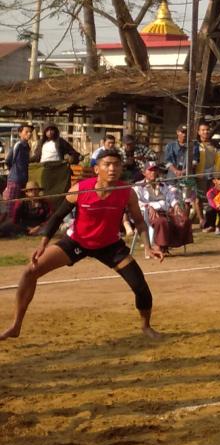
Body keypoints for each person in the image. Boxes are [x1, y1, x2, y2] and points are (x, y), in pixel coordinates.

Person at [4, 148, 163, 340]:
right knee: (30, 272)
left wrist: (148, 246)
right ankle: (15, 326)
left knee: (140, 286)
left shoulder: (127, 193)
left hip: (110, 246)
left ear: (121, 169)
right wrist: (43, 244)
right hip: (77, 242)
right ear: (97, 169)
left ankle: (146, 326)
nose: (112, 169)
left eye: (116, 165)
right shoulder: (80, 189)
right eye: (107, 165)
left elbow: (139, 222)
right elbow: (57, 217)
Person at [134, 161, 192, 254]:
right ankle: (159, 246)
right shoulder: (138, 186)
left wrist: (176, 204)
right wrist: (148, 207)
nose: (153, 172)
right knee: (162, 221)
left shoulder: (163, 185)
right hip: (148, 213)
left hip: (166, 211)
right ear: (144, 173)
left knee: (184, 219)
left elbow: (171, 196)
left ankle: (170, 244)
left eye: (155, 170)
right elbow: (136, 201)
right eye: (150, 170)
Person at [36, 124, 78, 208]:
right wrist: (27, 161)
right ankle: (46, 209)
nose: (50, 132)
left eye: (52, 130)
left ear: (55, 131)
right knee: (44, 191)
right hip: (45, 170)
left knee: (58, 192)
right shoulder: (41, 142)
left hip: (58, 170)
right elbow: (37, 156)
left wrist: (72, 159)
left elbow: (73, 153)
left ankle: (58, 209)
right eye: (47, 130)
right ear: (44, 132)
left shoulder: (60, 141)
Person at [5, 123, 33, 204]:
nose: (29, 134)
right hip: (15, 180)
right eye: (26, 132)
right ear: (20, 133)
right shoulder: (18, 145)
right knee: (11, 205)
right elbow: (8, 160)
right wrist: (14, 171)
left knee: (20, 205)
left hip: (24, 180)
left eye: (30, 132)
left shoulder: (27, 147)